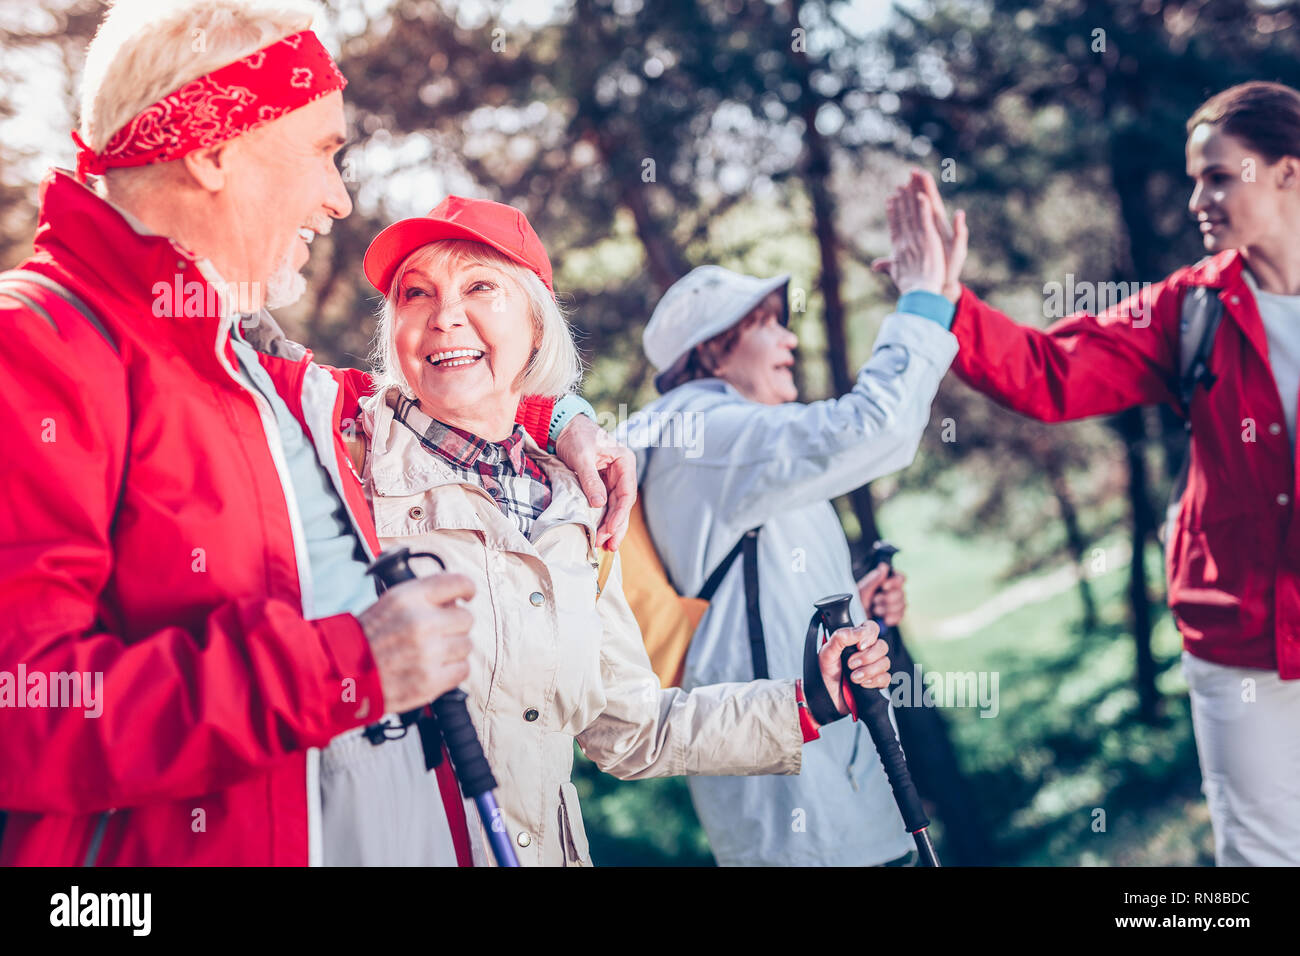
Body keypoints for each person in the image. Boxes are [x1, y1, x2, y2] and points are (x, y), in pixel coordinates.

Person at [0, 0, 629, 866]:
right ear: (213, 149)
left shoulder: (252, 367)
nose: (338, 199)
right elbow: (23, 713)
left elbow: (445, 397)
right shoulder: (31, 349)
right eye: (323, 151)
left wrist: (556, 419)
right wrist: (348, 666)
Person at [347, 195, 897, 866]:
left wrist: (808, 701)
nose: (445, 315)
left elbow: (631, 730)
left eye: (479, 286)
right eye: (415, 293)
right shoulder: (346, 456)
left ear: (536, 325)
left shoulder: (578, 502)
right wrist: (564, 414)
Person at [889, 81, 1300, 866]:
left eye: (1218, 176)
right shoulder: (1192, 311)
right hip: (1238, 645)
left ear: (1287, 172)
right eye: (1193, 180)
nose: (1196, 201)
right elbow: (1054, 373)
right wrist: (945, 303)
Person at [621, 197, 962, 865]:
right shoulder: (710, 432)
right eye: (765, 326)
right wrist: (922, 302)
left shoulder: (724, 439)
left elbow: (751, 586)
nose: (791, 340)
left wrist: (856, 599)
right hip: (805, 816)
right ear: (713, 351)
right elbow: (877, 427)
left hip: (818, 797)